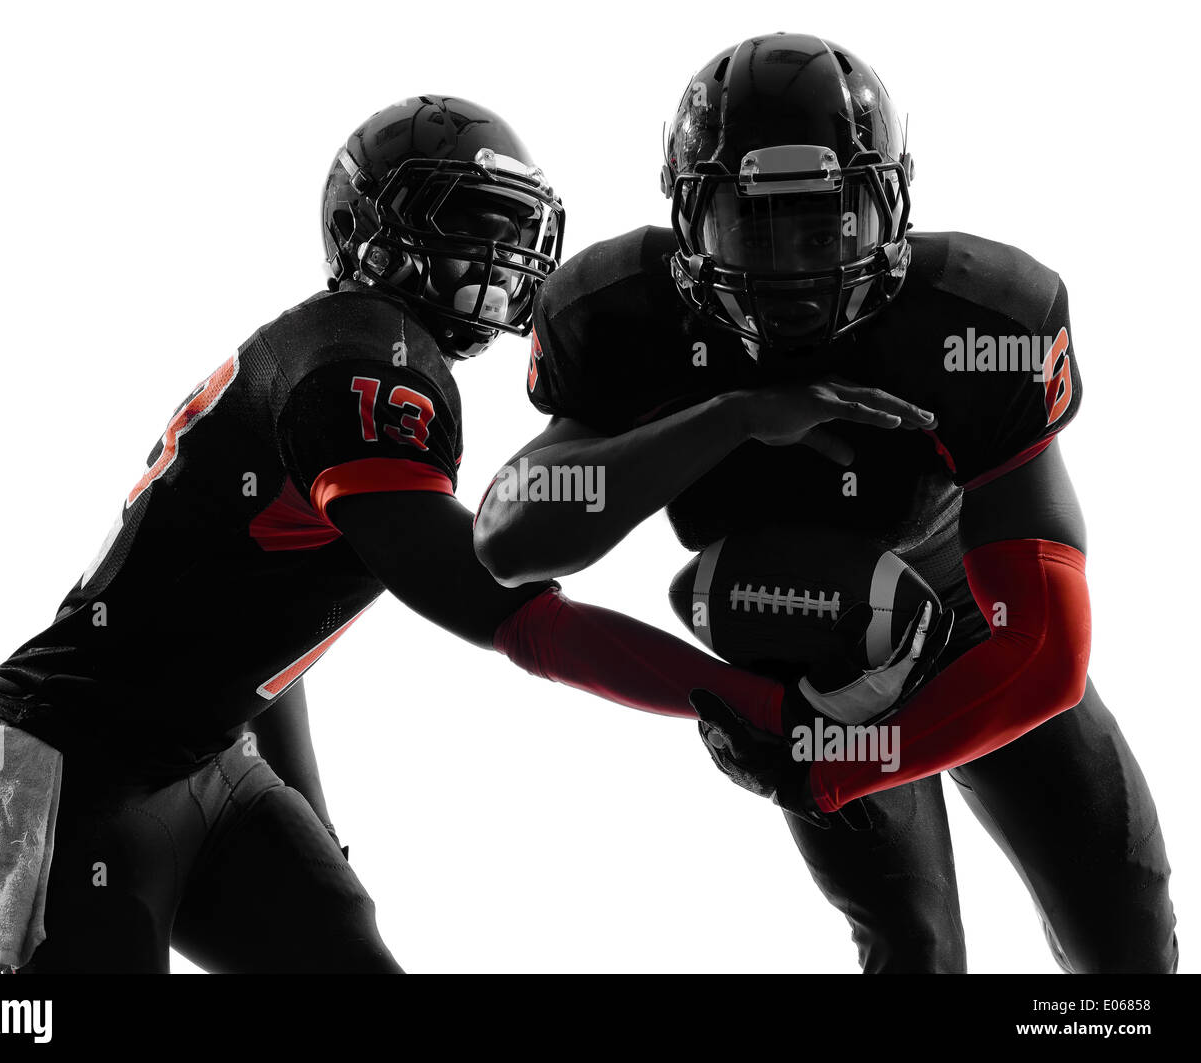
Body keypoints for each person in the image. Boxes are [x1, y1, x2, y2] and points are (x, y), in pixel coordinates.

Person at [0, 94, 911, 973]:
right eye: (465, 223)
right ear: (369, 230)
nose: (496, 256)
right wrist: (748, 698)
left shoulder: (351, 350)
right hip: (69, 753)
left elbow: (263, 636)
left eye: (511, 229)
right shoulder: (359, 360)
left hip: (206, 761)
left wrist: (308, 817)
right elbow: (514, 615)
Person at [473, 35, 1178, 973]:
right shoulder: (627, 318)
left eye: (825, 223)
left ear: (888, 205)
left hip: (977, 626)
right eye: (750, 224)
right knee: (913, 949)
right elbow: (510, 535)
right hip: (810, 651)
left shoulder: (979, 321)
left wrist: (839, 769)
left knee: (1124, 936)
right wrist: (732, 417)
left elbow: (1044, 649)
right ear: (689, 222)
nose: (795, 265)